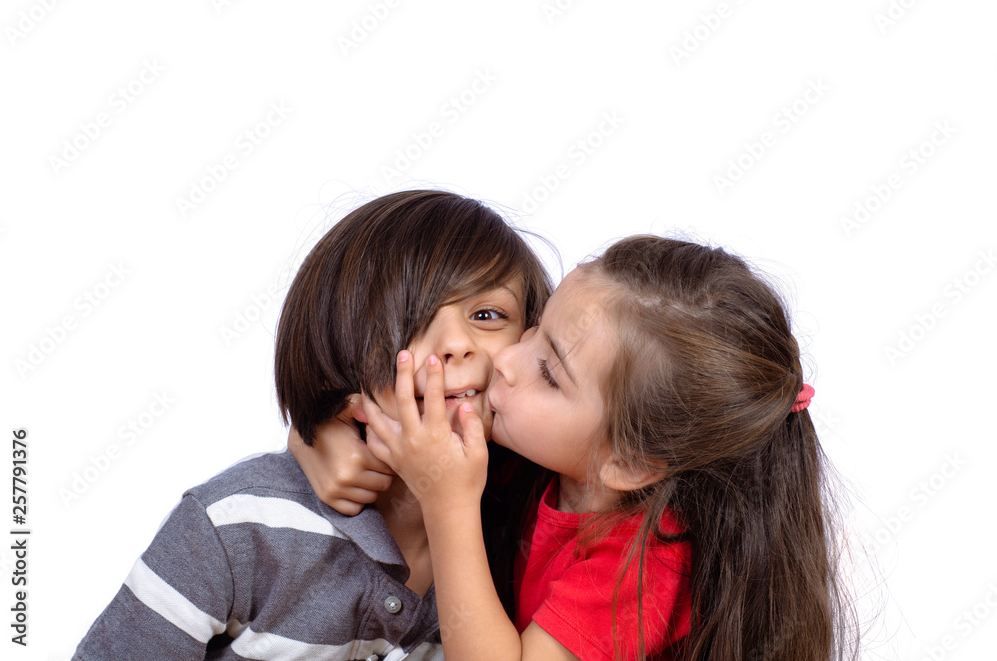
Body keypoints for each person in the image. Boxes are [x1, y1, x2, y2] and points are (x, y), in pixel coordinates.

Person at [71, 189, 553, 661]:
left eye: (488, 315)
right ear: (342, 337)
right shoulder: (237, 526)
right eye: (412, 316)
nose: (455, 344)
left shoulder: (528, 535)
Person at [342, 235, 854, 660]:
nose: (509, 359)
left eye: (548, 372)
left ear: (629, 463)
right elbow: (391, 419)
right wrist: (320, 437)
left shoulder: (648, 563)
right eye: (538, 326)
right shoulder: (547, 456)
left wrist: (448, 503)